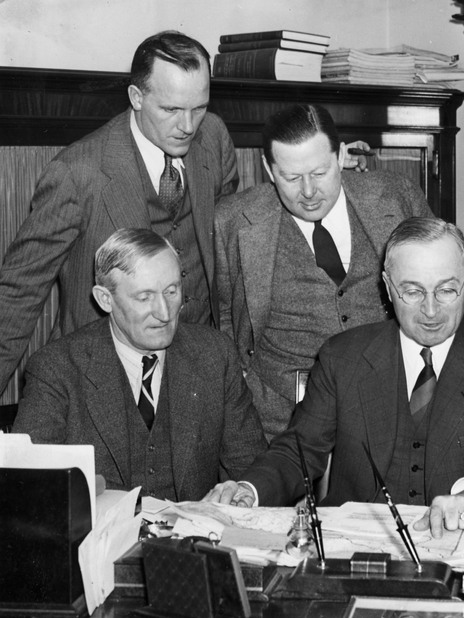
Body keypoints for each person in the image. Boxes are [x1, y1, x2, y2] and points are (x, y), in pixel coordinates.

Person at [0, 30, 371, 395]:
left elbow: (236, 224)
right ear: (136, 97)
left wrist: (332, 174)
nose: (188, 126)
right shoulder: (77, 172)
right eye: (171, 110)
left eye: (199, 107)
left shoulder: (213, 136)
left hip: (194, 372)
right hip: (100, 376)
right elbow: (18, 294)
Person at [204, 217, 464, 537]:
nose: (431, 311)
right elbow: (299, 450)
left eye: (446, 290)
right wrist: (249, 489)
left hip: (456, 543)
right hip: (353, 546)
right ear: (387, 286)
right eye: (412, 292)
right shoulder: (343, 356)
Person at [215, 104, 433, 440]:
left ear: (341, 156)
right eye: (291, 177)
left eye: (319, 173)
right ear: (268, 169)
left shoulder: (396, 198)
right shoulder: (232, 221)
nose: (308, 191)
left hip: (388, 412)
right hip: (277, 426)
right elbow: (223, 320)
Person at [12, 229, 266, 501]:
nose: (165, 313)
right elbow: (30, 486)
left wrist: (240, 495)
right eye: (144, 298)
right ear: (105, 299)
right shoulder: (56, 369)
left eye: (172, 291)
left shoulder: (214, 354)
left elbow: (250, 468)